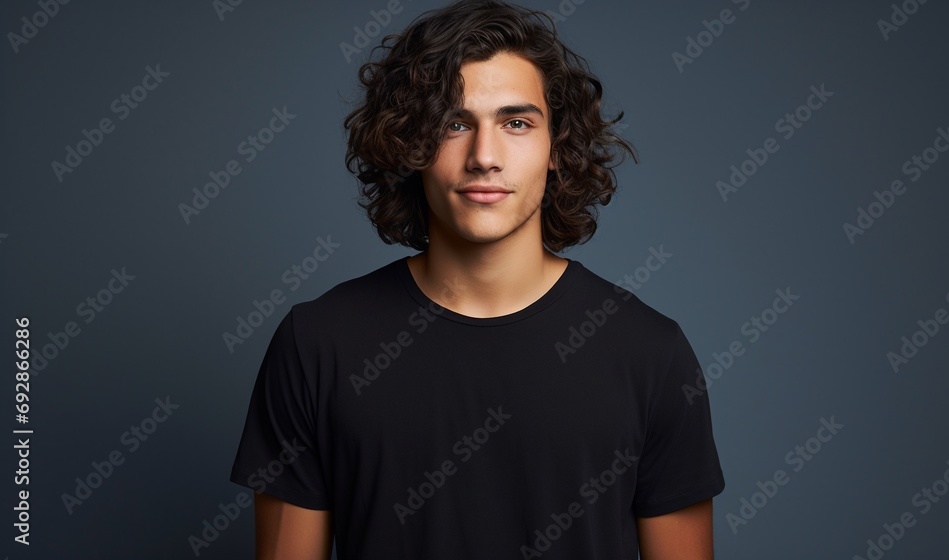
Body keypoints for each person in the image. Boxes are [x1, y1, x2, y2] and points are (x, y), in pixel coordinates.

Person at [229, 1, 725, 558]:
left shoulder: (650, 354)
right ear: (410, 144)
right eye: (453, 123)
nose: (484, 156)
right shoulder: (317, 344)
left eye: (516, 122)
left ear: (556, 147)